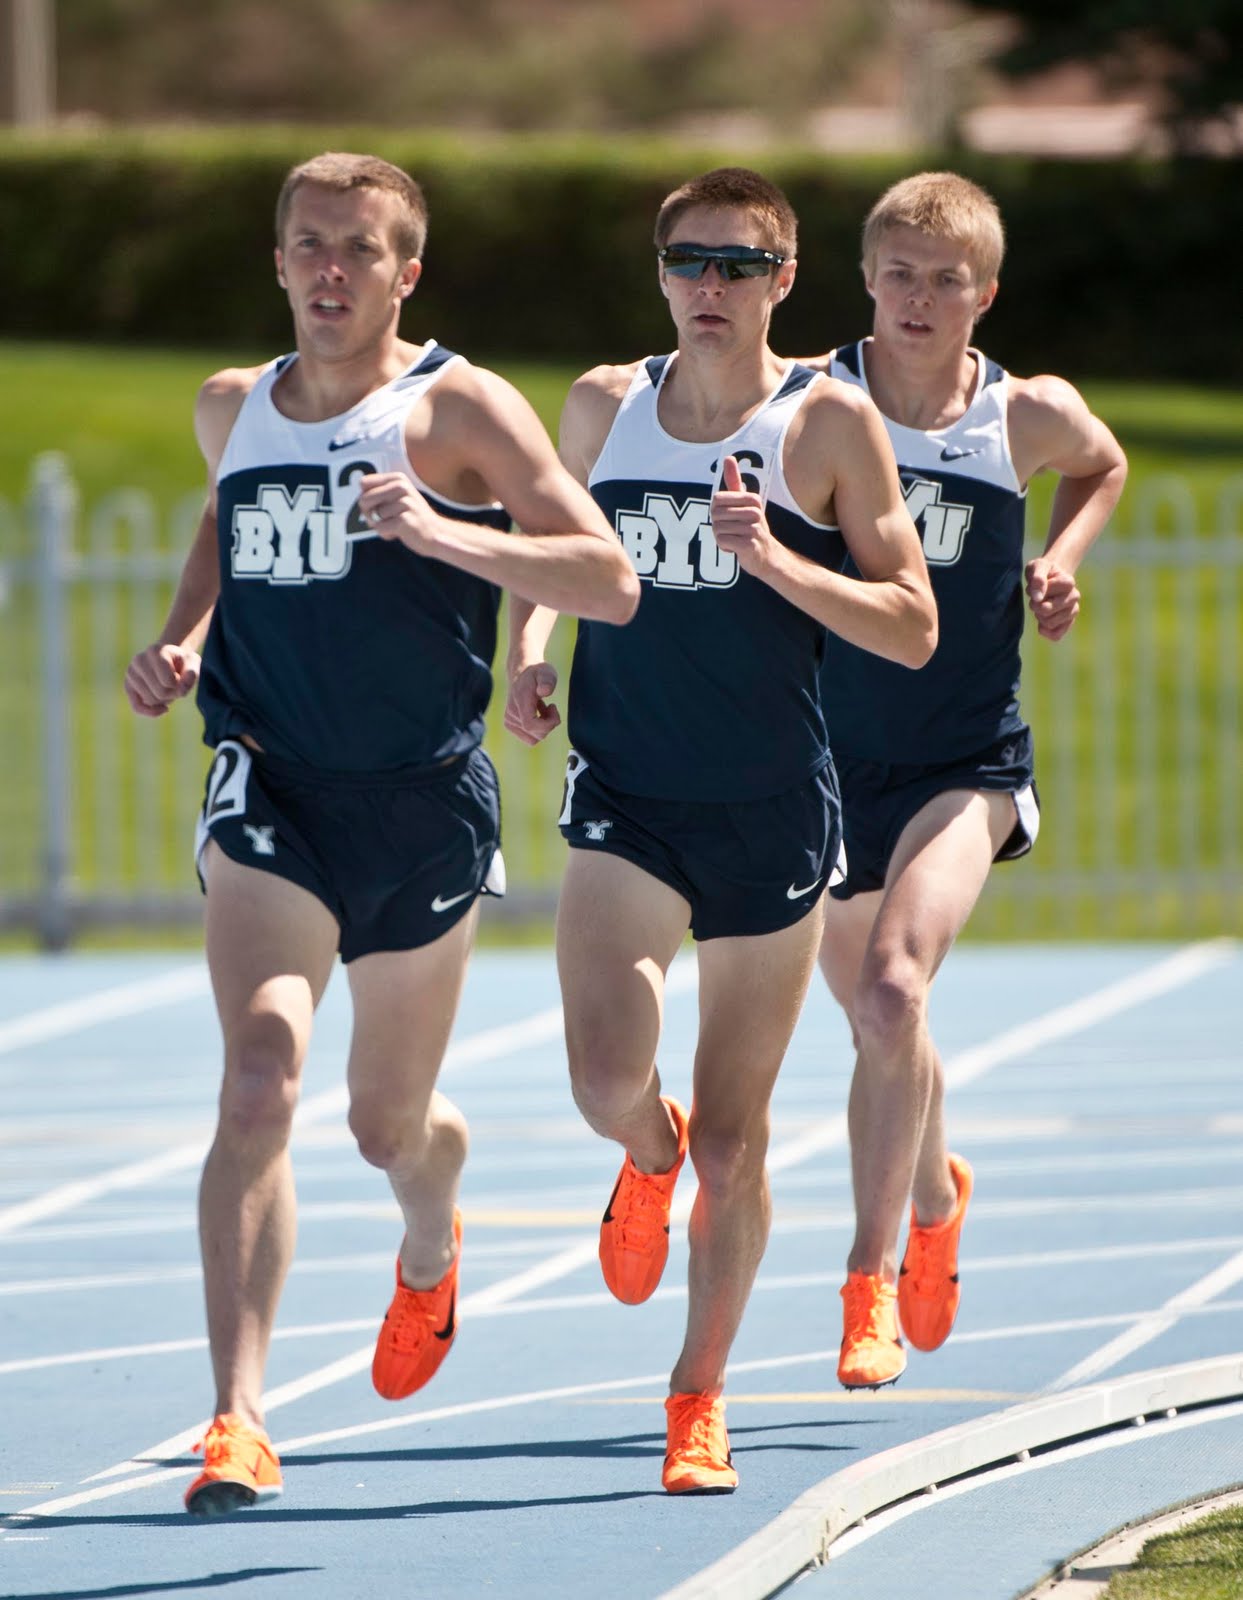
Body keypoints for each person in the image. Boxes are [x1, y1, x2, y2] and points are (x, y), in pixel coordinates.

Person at [123, 151, 638, 1516]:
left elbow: (608, 575)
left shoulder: (456, 405)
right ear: (279, 261)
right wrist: (181, 643)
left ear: (405, 271)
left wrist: (450, 537)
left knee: (379, 1122)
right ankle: (237, 1418)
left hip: (419, 802)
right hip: (270, 790)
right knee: (257, 1081)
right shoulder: (231, 406)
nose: (330, 270)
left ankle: (430, 1221)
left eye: (359, 248)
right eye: (308, 245)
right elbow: (221, 539)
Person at [504, 166, 936, 1493]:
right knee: (599, 1077)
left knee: (742, 1142)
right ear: (658, 274)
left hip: (766, 817)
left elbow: (911, 624)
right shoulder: (599, 404)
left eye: (737, 264)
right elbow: (543, 548)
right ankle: (644, 1150)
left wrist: (777, 560)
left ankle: (696, 1394)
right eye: (686, 260)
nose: (708, 285)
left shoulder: (826, 425)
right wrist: (526, 648)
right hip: (626, 798)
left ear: (782, 281)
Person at [798, 171, 1128, 1390]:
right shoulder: (811, 405)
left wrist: (1059, 554)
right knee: (880, 1023)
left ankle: (868, 1279)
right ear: (865, 279)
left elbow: (1103, 465)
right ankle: (935, 1193)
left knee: (892, 994)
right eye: (900, 272)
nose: (921, 298)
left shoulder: (1022, 414)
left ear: (985, 294)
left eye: (948, 280)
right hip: (819, 760)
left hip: (963, 761)